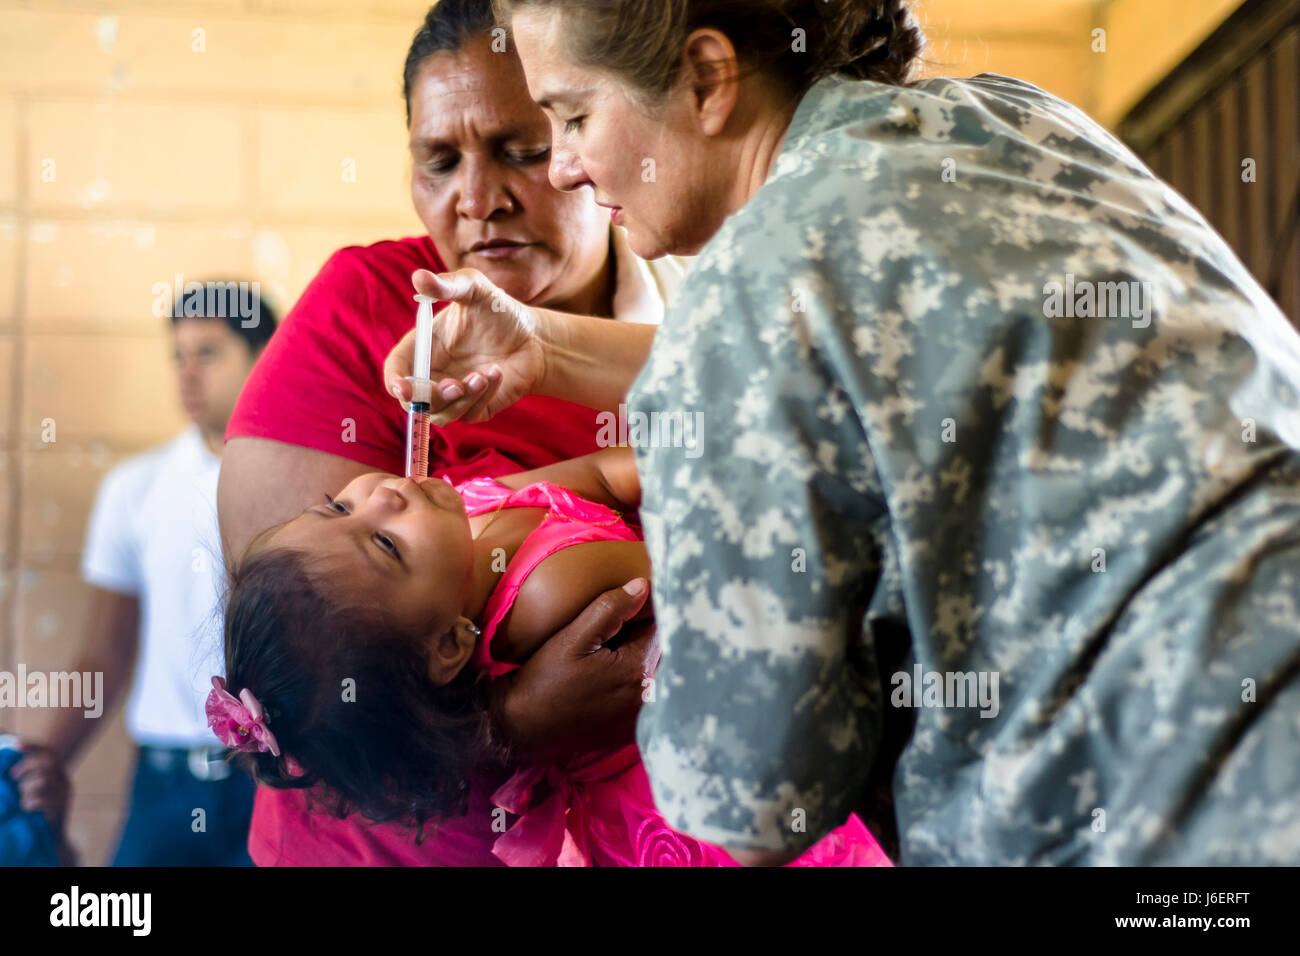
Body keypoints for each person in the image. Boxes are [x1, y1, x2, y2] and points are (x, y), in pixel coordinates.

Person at [385, 0, 1300, 864]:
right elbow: (872, 342)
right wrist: (543, 342)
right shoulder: (1008, 117)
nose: (565, 168)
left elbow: (749, 792)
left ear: (706, 79)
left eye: (573, 118)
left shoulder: (751, 288)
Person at [217, 0, 688, 866]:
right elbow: (311, 706)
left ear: (592, 138)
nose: (478, 200)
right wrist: (511, 727)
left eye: (523, 149)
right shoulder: (369, 309)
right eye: (439, 161)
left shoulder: (703, 321)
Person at [214, 448, 889, 865]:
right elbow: (721, 569)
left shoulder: (462, 520)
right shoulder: (547, 592)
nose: (380, 496)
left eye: (337, 506)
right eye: (387, 546)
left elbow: (598, 473)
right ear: (450, 644)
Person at [12, 280, 277, 866]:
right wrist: (48, 761)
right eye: (177, 356)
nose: (187, 374)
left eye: (208, 353)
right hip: (164, 786)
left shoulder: (306, 490)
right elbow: (105, 650)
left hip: (276, 784)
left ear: (263, 357)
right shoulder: (135, 488)